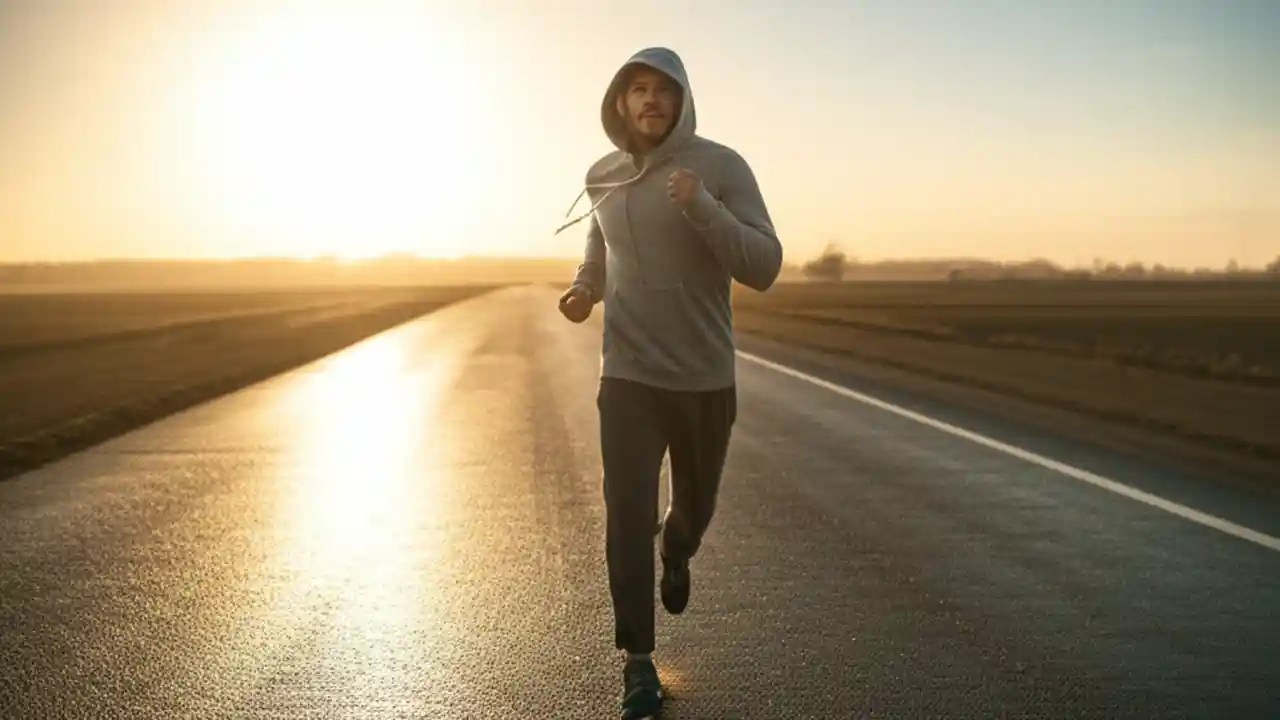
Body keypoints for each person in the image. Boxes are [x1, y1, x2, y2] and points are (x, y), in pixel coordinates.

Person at [556, 46, 783, 719]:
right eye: (637, 90)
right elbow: (600, 245)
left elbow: (765, 265)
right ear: (619, 103)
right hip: (627, 375)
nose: (650, 100)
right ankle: (638, 664)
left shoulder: (721, 167)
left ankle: (677, 548)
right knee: (626, 509)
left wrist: (704, 207)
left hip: (704, 380)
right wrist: (584, 286)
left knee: (692, 512)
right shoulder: (601, 175)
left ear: (682, 99)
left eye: (663, 90)